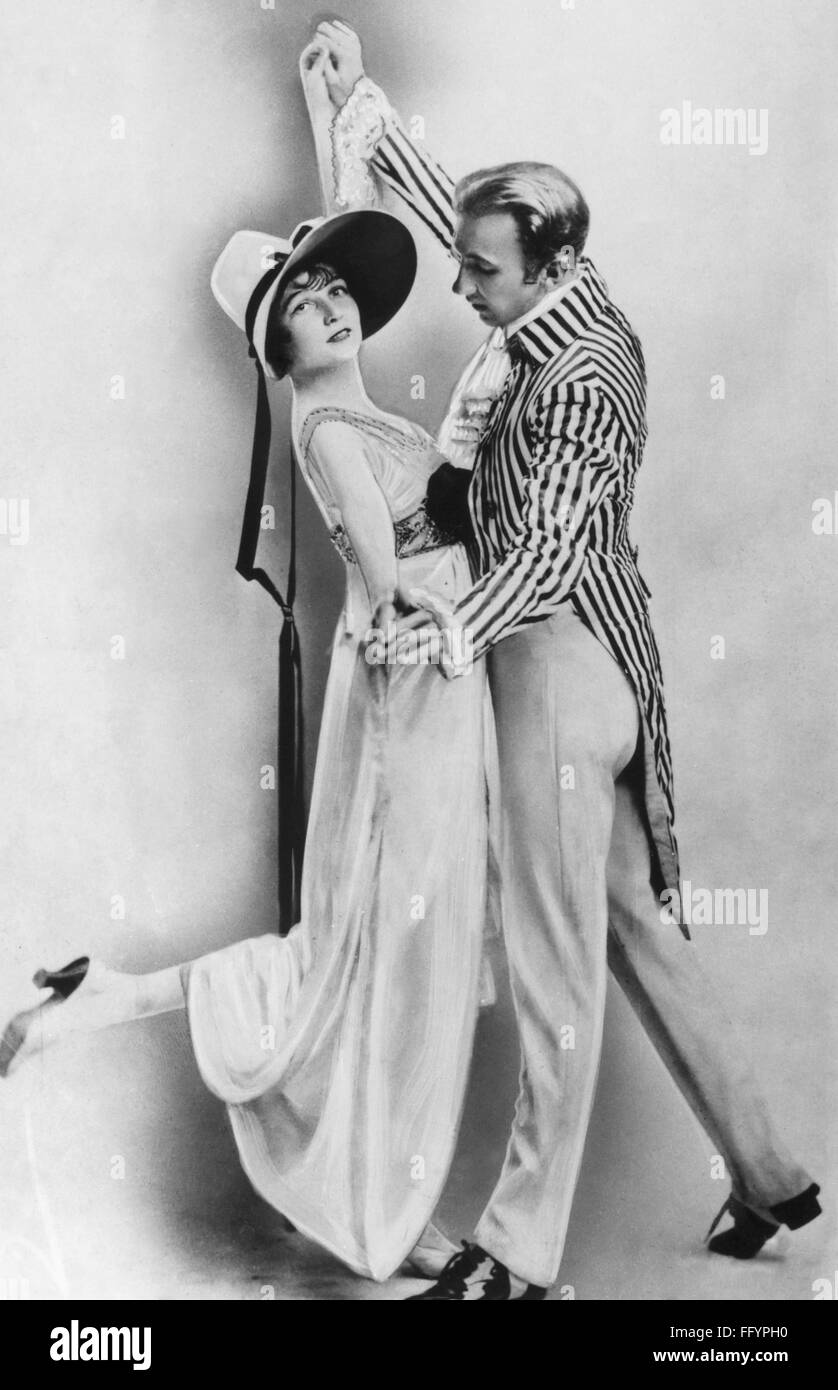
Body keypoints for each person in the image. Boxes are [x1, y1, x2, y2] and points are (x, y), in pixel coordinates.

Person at [309, 19, 822, 1301]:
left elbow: (544, 547)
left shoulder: (585, 379)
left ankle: (523, 1253)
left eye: (480, 274)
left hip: (554, 661)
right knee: (629, 925)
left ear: (550, 268)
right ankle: (773, 1175)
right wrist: (359, 103)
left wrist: (453, 627)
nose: (458, 289)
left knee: (547, 962)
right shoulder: (541, 293)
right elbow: (462, 220)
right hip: (568, 658)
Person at [0, 205, 498, 1285]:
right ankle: (390, 1204)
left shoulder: (365, 415)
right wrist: (444, 604)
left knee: (366, 948)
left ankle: (114, 994)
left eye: (334, 293)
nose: (332, 309)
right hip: (413, 679)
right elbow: (383, 575)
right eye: (306, 309)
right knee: (388, 954)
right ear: (279, 353)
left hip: (420, 681)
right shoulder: (326, 429)